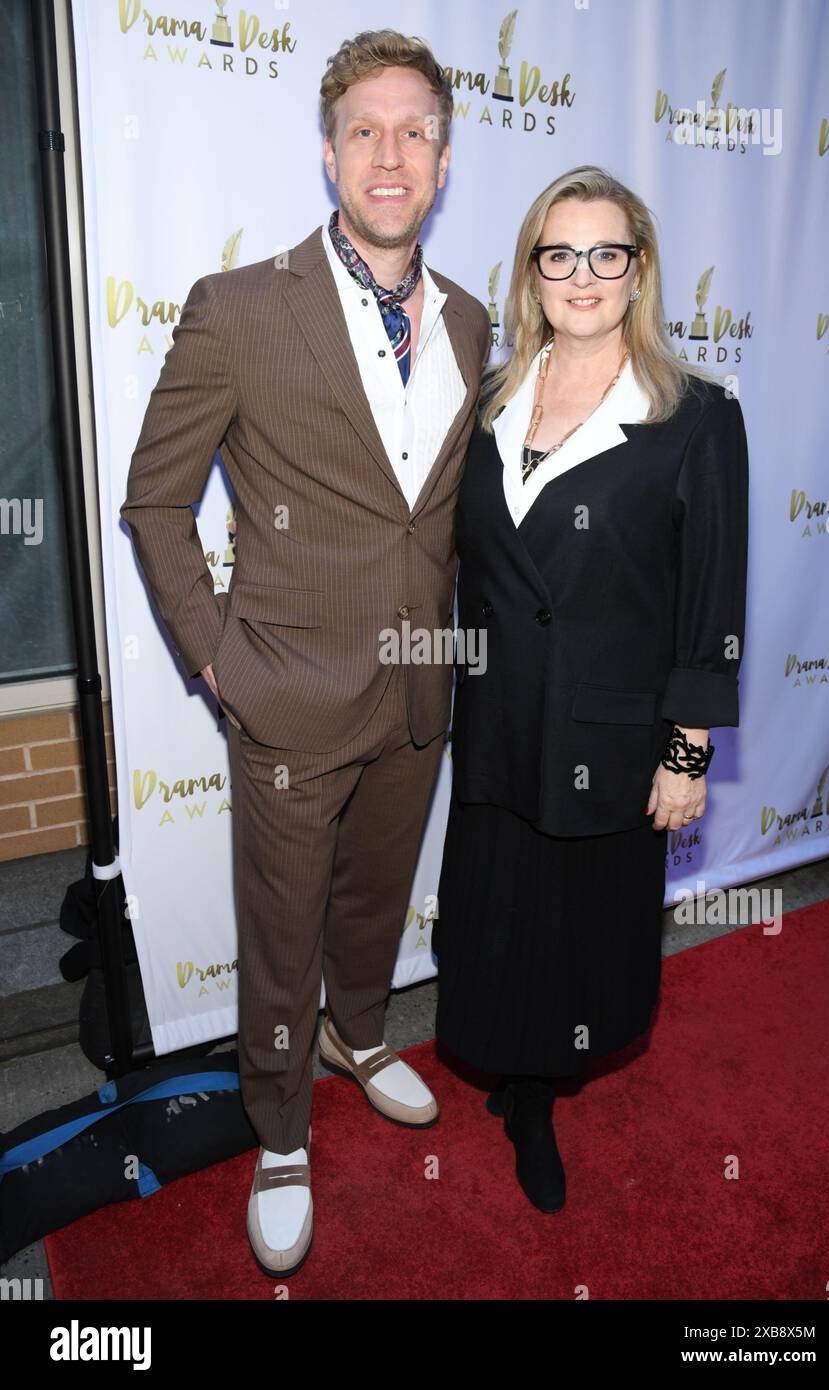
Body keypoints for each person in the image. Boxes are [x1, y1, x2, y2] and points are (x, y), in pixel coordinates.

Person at [120, 30, 491, 1276]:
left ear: (443, 157)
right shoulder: (238, 310)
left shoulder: (474, 323)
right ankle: (279, 1127)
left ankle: (361, 1033)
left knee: (375, 897)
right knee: (279, 926)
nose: (391, 155)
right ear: (329, 153)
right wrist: (218, 660)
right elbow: (153, 501)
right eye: (365, 132)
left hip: (416, 682)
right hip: (283, 688)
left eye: (415, 131)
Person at [432, 165, 749, 1213]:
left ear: (638, 268)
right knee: (495, 918)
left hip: (609, 732)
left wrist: (686, 749)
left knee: (579, 937)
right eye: (557, 253)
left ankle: (539, 1093)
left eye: (604, 252)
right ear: (530, 271)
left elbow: (711, 596)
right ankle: (516, 1069)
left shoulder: (694, 415)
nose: (581, 273)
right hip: (497, 721)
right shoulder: (485, 398)